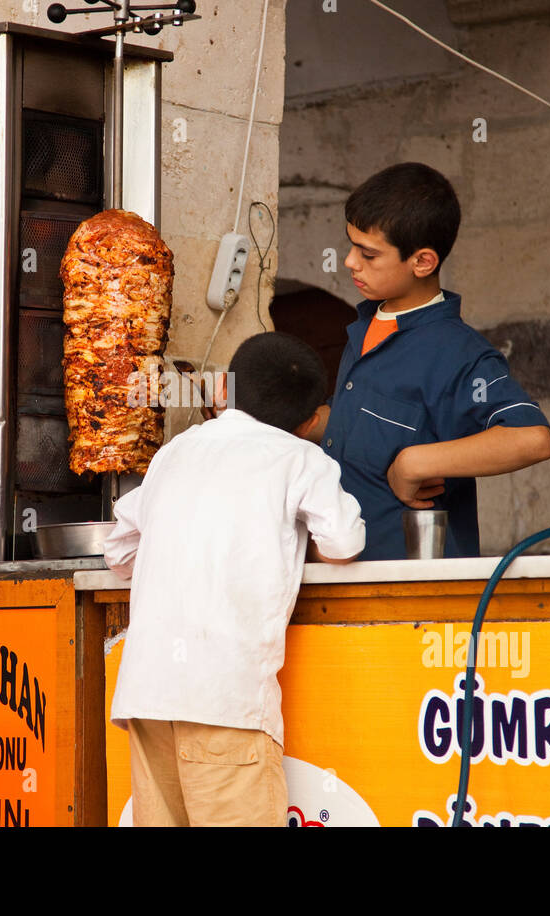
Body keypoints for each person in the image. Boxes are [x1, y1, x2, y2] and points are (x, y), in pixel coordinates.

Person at [103, 332, 366, 826]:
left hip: (148, 697)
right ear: (311, 421)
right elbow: (344, 543)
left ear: (222, 389)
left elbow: (117, 550)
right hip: (226, 700)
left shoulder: (173, 454)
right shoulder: (300, 458)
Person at [313, 162, 550, 560]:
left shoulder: (457, 354)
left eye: (369, 254)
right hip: (344, 585)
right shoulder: (364, 329)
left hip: (412, 593)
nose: (350, 262)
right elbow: (358, 428)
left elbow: (532, 438)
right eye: (352, 245)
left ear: (423, 262)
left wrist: (414, 461)